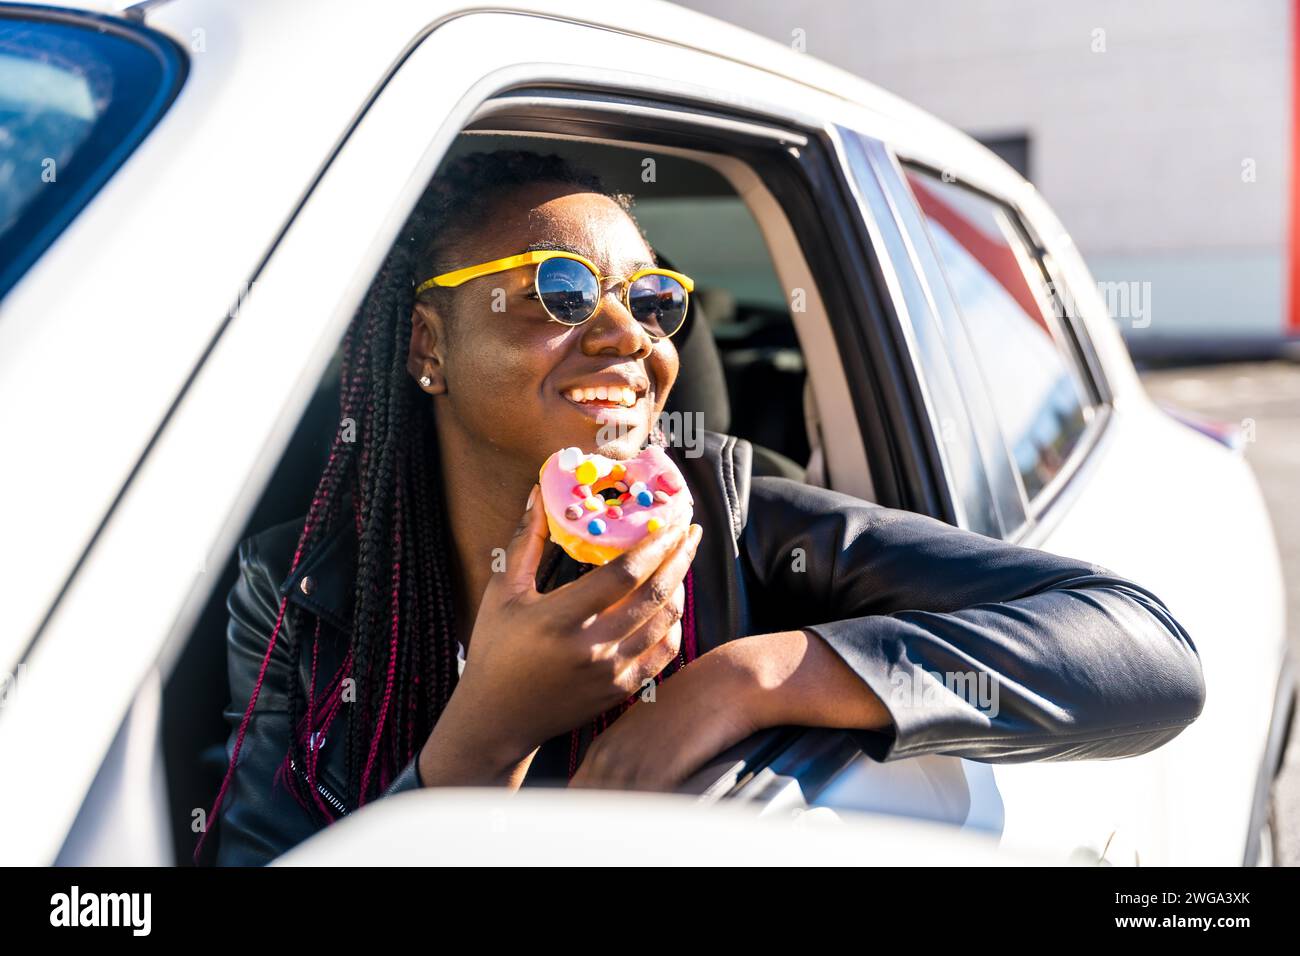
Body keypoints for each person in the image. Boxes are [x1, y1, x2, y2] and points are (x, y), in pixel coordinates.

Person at [197, 149, 1206, 866]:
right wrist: (482, 741)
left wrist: (742, 678)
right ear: (427, 344)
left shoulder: (740, 530)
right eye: (557, 289)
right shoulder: (301, 589)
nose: (624, 335)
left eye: (650, 301)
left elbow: (1147, 651)